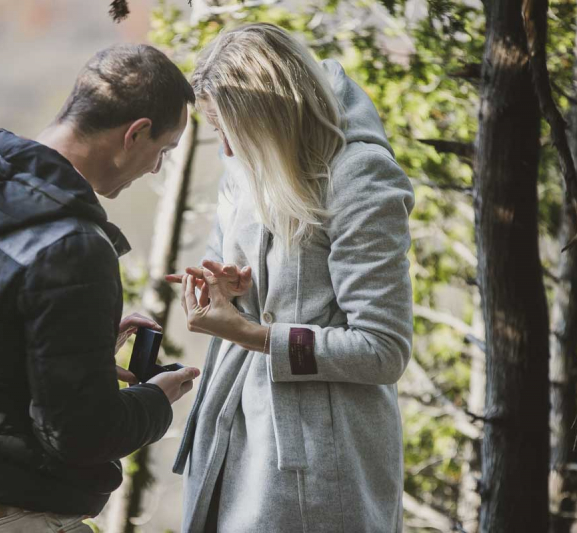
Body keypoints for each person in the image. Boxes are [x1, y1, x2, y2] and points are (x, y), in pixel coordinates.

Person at [0, 44, 200, 533]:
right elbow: (82, 434)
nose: (155, 168)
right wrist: (157, 401)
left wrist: (79, 348)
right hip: (13, 516)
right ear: (135, 133)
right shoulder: (75, 245)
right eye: (161, 151)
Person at [166, 23, 415, 532]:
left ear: (270, 119)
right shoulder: (243, 161)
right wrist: (231, 289)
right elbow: (237, 265)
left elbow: (382, 350)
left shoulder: (360, 178)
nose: (228, 152)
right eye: (219, 135)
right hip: (231, 435)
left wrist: (252, 334)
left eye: (231, 134)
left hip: (323, 464)